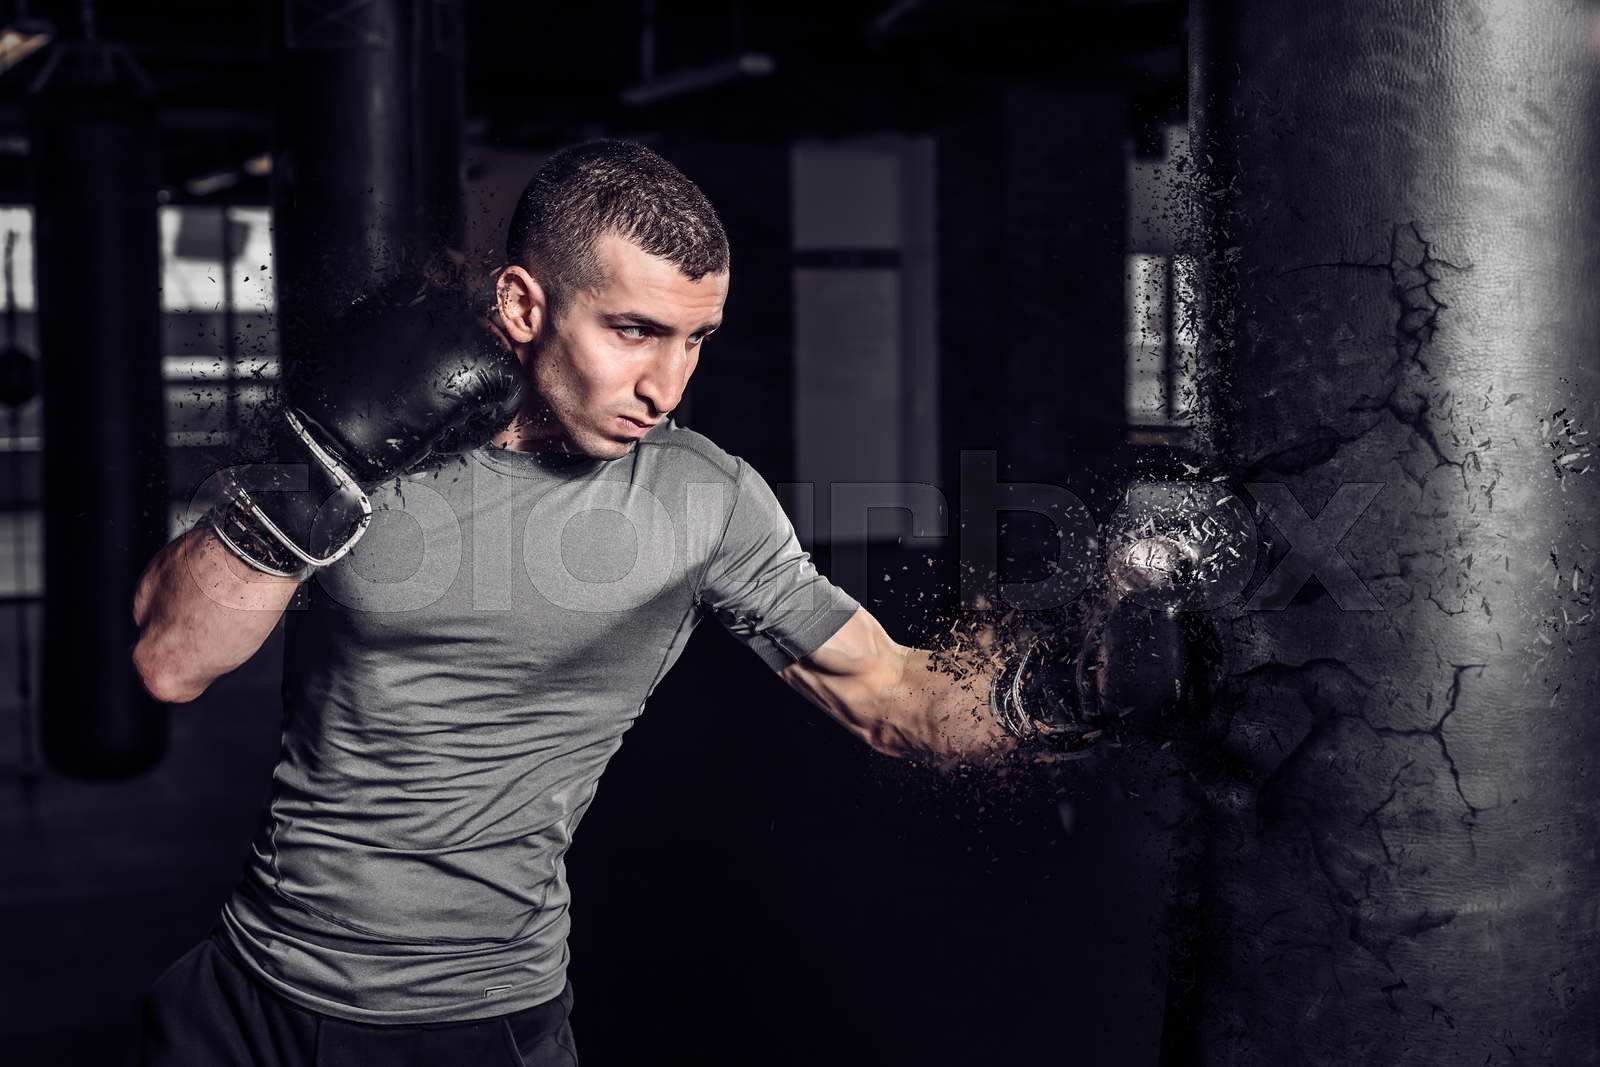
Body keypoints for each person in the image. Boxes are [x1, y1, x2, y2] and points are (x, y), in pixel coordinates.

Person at [130, 140, 1075, 1066]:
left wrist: (1082, 682)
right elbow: (172, 660)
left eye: (695, 339)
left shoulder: (705, 500)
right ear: (523, 303)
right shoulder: (372, 449)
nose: (666, 387)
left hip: (471, 1018)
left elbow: (893, 695)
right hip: (247, 991)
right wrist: (318, 468)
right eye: (634, 331)